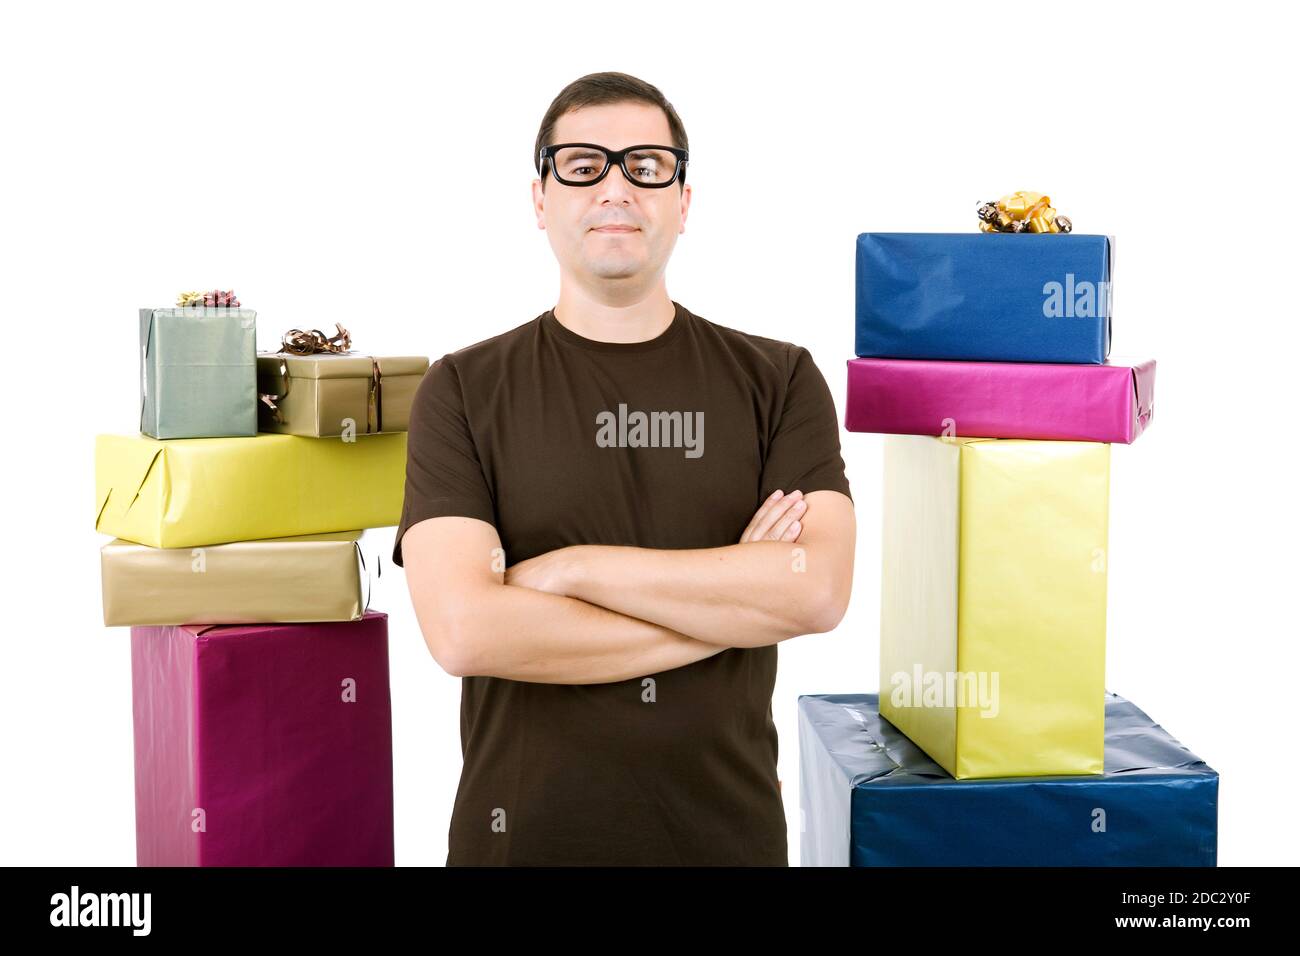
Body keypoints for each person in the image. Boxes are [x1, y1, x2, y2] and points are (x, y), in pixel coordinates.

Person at [392, 71, 856, 865]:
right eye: (582, 165)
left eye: (645, 166)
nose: (615, 186)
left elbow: (813, 590)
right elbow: (466, 632)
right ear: (540, 199)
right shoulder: (463, 387)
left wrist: (569, 571)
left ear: (683, 200)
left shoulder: (778, 379)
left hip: (728, 842)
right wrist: (732, 601)